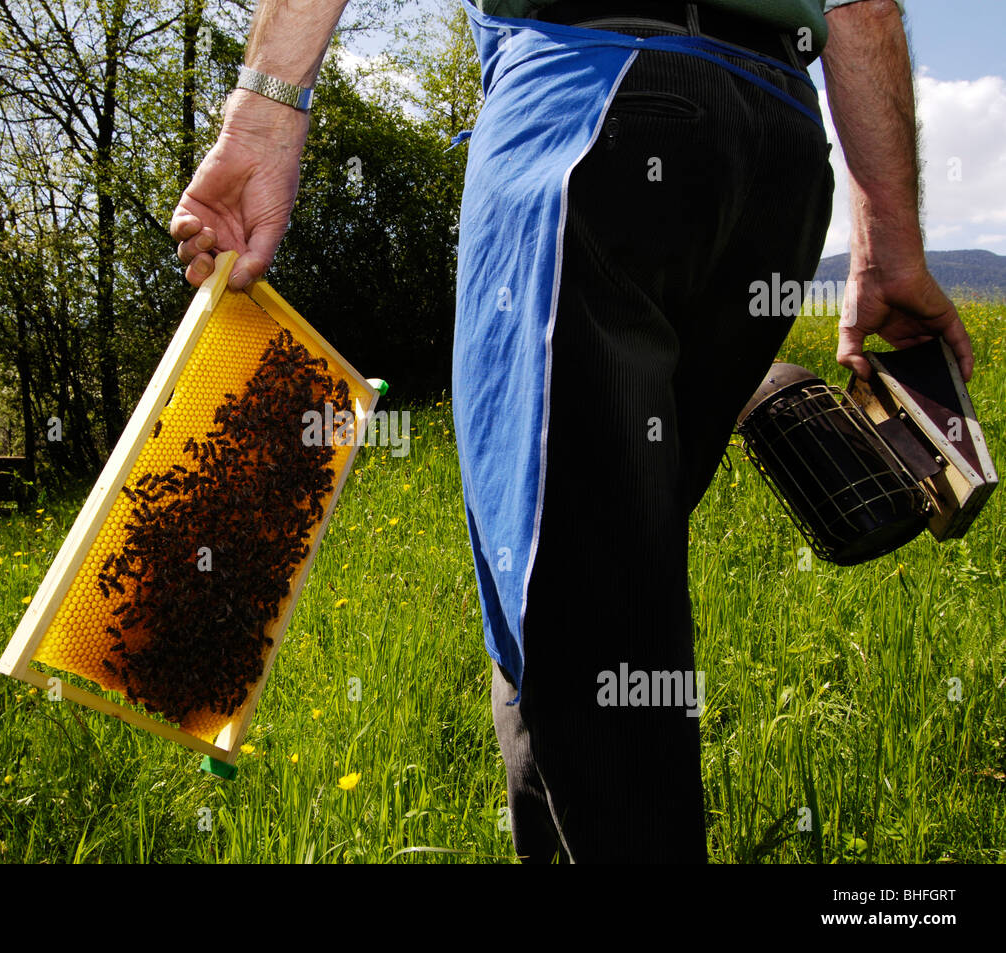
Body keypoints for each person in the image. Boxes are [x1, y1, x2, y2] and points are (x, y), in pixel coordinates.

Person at [169, 0, 975, 862]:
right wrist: (889, 240)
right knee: (581, 580)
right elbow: (863, 7)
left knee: (581, 609)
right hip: (773, 152)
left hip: (590, 108)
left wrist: (260, 111)